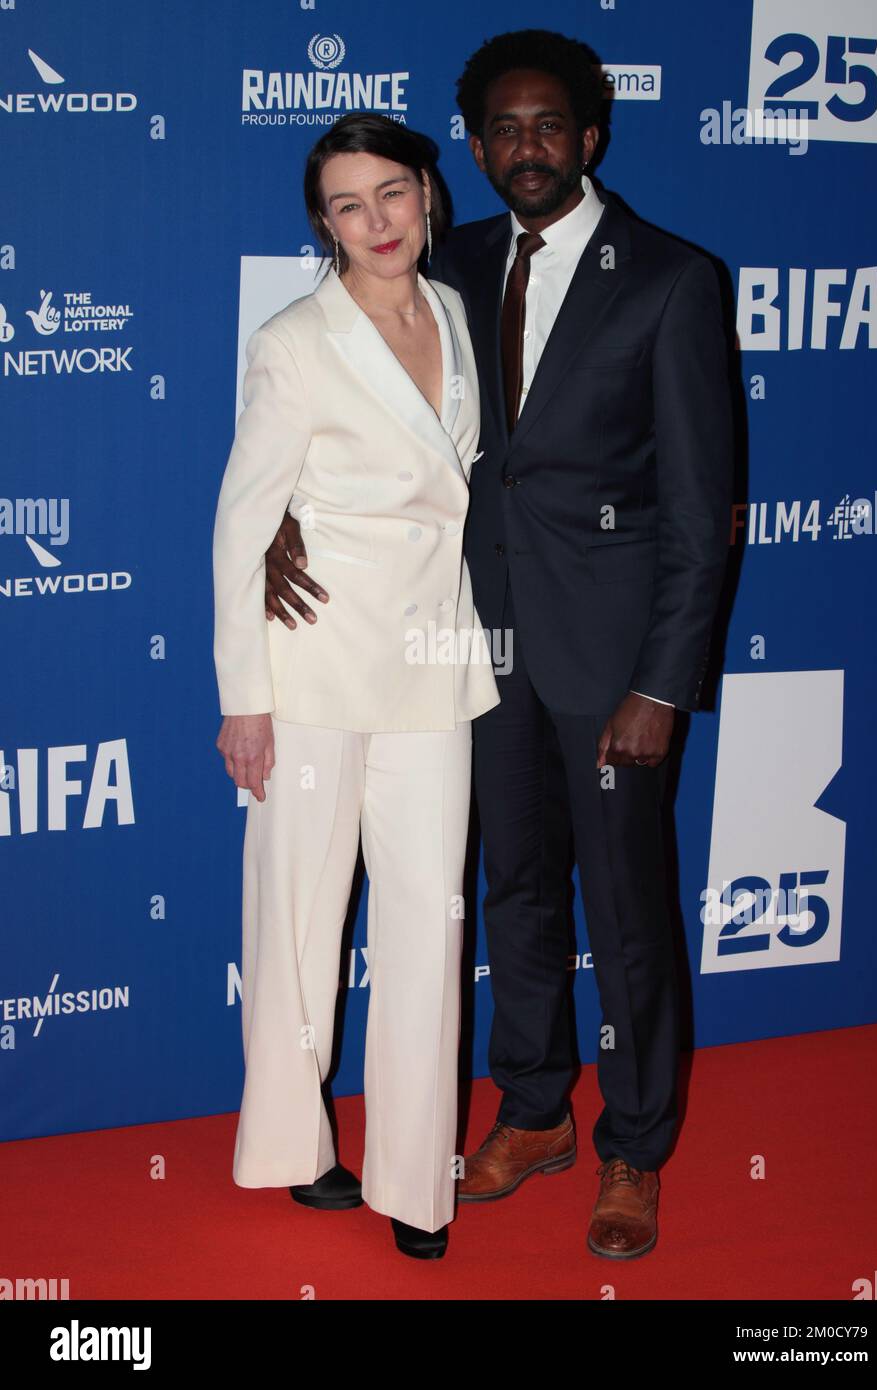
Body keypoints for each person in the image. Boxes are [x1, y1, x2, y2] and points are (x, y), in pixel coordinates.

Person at [261, 30, 734, 1260]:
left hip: (613, 660)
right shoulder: (447, 262)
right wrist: (281, 527)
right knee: (509, 889)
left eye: (548, 127)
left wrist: (661, 681)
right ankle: (534, 1111)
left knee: (626, 909)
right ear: (472, 147)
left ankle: (633, 1145)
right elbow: (372, 422)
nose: (525, 148)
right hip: (472, 649)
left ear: (592, 135)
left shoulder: (675, 280)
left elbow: (701, 510)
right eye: (501, 131)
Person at [212, 112, 499, 1260]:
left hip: (435, 664)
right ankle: (294, 1145)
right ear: (321, 225)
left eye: (392, 194)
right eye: (347, 205)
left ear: (427, 193)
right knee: (297, 918)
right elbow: (242, 523)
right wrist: (246, 695)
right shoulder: (294, 340)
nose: (376, 222)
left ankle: (415, 1180)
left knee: (431, 928)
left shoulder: (458, 312)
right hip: (315, 664)